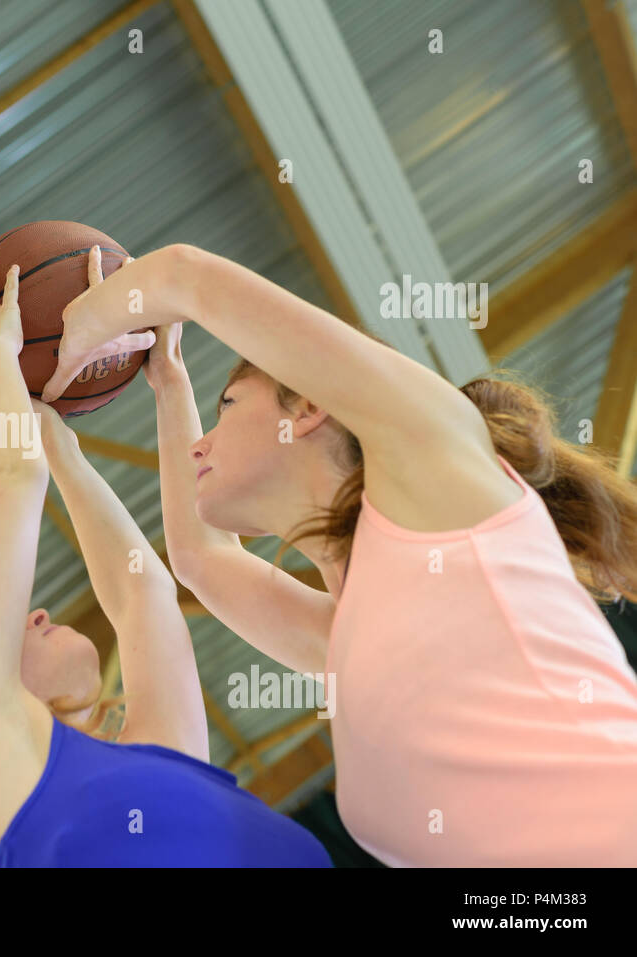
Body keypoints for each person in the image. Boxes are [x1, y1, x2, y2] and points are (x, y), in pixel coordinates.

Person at [42, 243, 637, 866]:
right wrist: (164, 381)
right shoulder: (346, 638)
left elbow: (186, 276)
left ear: (305, 407)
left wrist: (75, 334)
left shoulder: (440, 472)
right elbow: (199, 558)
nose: (200, 446)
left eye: (228, 408)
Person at [0, 258, 331, 867]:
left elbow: (142, 596)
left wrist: (66, 444)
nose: (32, 611)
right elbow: (7, 482)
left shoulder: (156, 758)